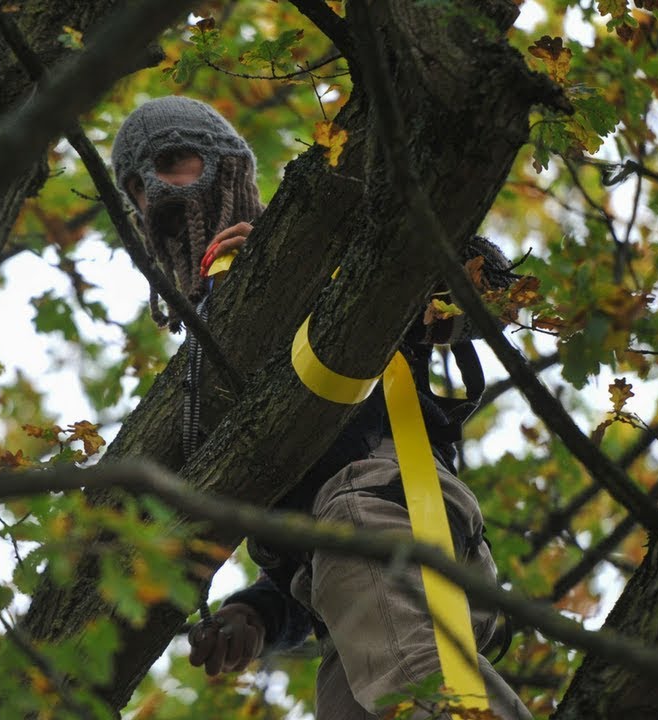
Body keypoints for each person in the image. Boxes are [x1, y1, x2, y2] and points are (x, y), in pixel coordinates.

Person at [110, 96, 532, 720]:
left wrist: (397, 286)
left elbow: (489, 283)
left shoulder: (332, 242)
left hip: (383, 499)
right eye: (136, 187)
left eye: (172, 160)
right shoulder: (198, 366)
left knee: (422, 696)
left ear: (227, 165)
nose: (156, 190)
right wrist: (256, 613)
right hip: (343, 589)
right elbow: (305, 539)